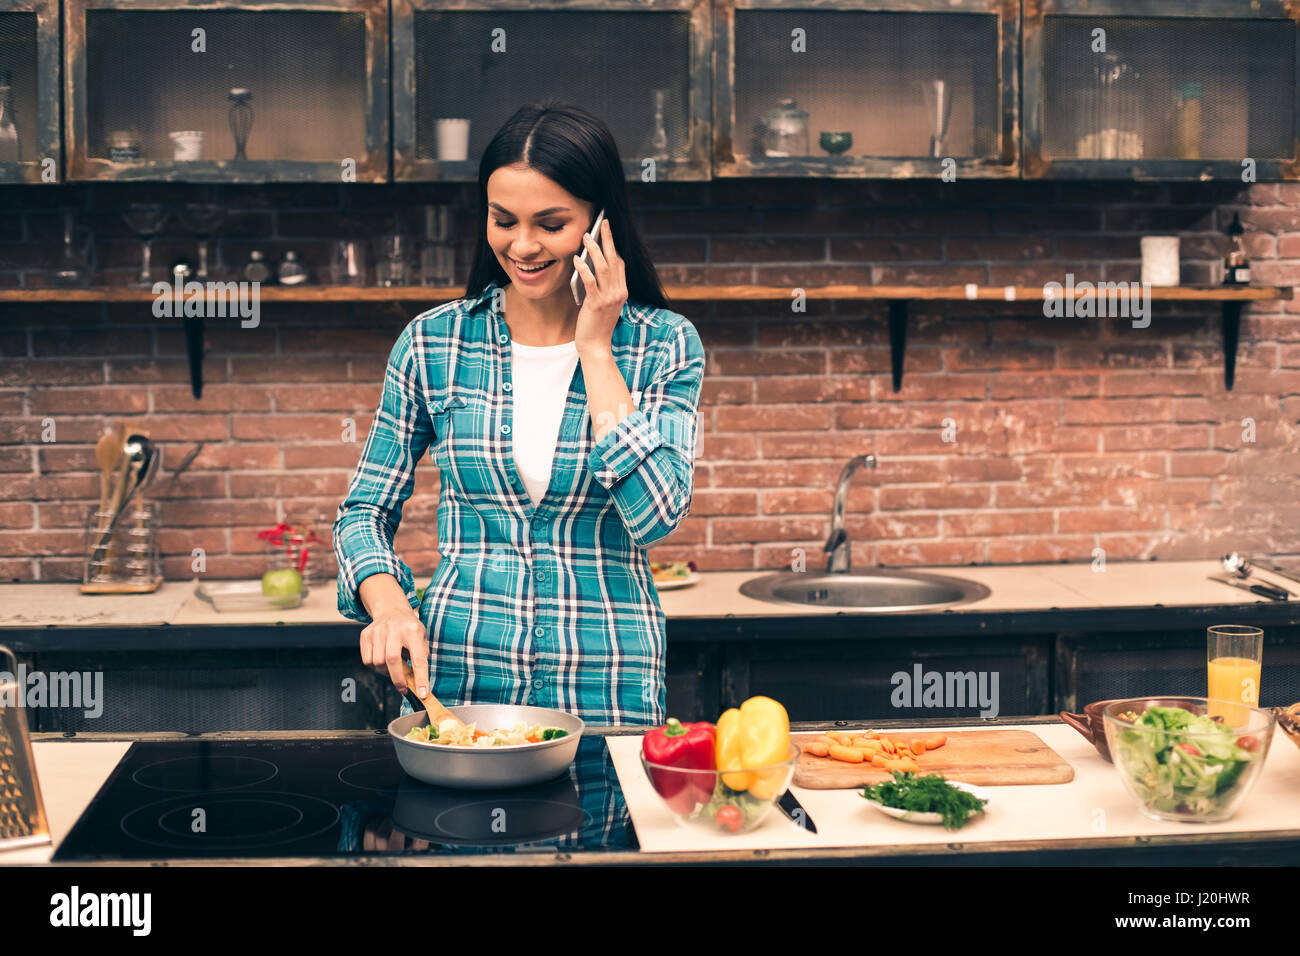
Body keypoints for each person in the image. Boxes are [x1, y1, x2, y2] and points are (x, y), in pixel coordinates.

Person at [333, 101, 705, 726]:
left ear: (600, 225)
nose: (523, 245)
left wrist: (595, 347)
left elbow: (656, 515)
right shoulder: (434, 342)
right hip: (457, 683)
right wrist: (390, 606)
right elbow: (364, 510)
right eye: (503, 220)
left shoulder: (663, 343)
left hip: (608, 682)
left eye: (551, 224)